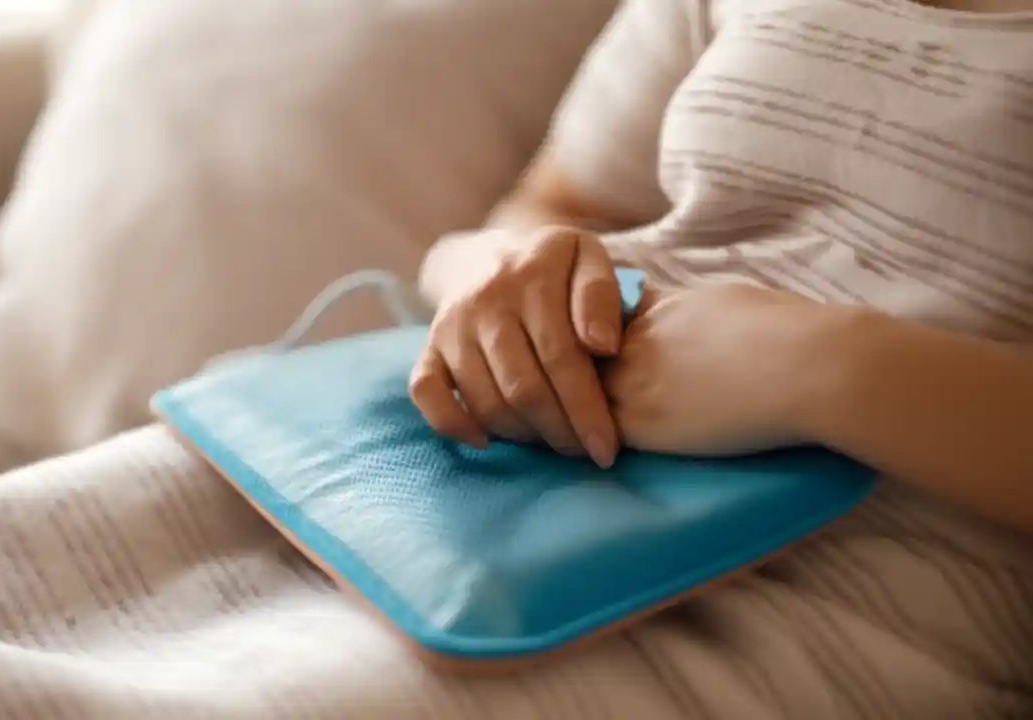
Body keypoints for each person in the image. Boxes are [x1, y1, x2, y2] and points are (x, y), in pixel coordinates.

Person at [410, 0, 1033, 535]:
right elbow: (554, 207)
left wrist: (825, 367)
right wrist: (508, 277)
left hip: (838, 613)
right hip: (508, 514)